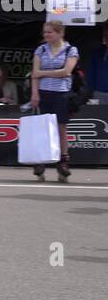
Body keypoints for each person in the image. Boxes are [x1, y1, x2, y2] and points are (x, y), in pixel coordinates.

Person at [30, 20, 78, 182]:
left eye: (50, 32)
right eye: (45, 32)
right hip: (43, 93)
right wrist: (35, 94)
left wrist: (43, 73)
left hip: (61, 94)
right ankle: (41, 161)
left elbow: (67, 72)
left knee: (61, 130)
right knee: (43, 129)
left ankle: (63, 162)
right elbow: (34, 74)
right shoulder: (41, 49)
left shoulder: (71, 50)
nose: (46, 35)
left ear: (60, 33)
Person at [88, 23, 108, 104]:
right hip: (99, 92)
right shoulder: (96, 54)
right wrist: (92, 91)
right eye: (106, 35)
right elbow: (91, 74)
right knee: (99, 115)